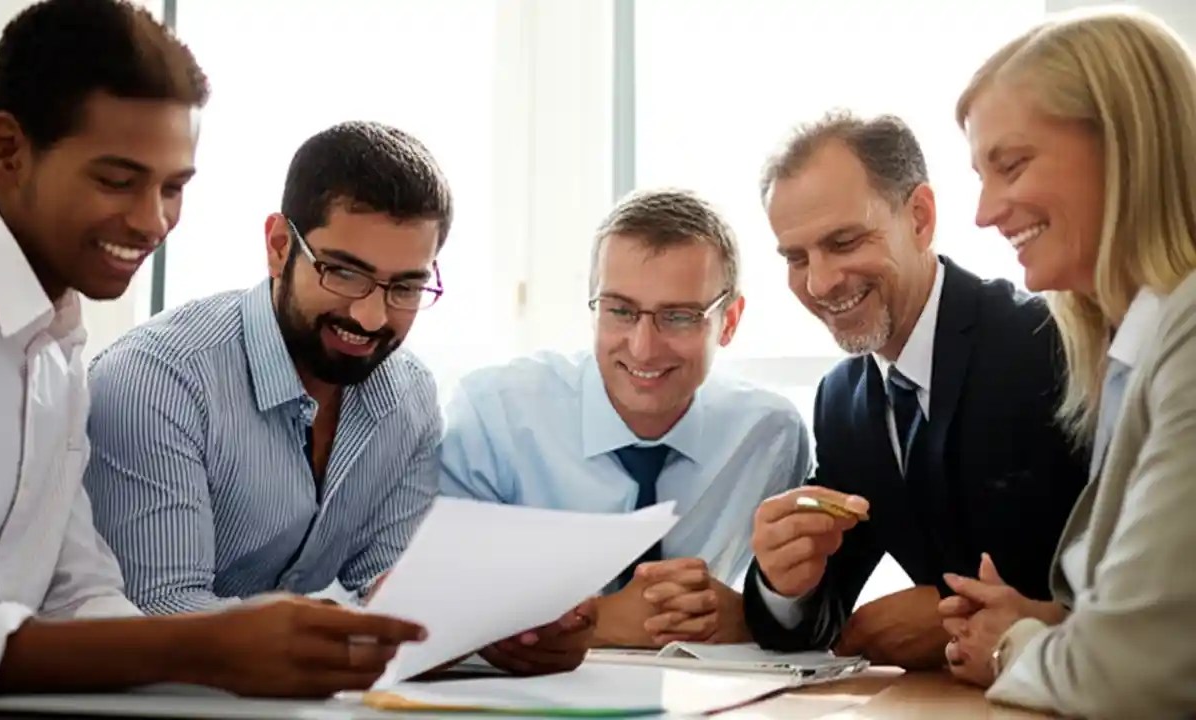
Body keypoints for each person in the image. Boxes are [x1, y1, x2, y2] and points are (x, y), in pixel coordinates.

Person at [0, 0, 426, 704]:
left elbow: (79, 591)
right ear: (7, 152)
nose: (153, 221)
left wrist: (221, 656)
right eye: (118, 181)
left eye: (174, 188)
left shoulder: (56, 332)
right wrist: (200, 645)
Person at [83, 119, 591, 676]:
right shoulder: (157, 381)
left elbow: (392, 582)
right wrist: (362, 627)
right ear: (279, 247)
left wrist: (496, 630)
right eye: (344, 273)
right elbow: (161, 611)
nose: (371, 316)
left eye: (406, 287)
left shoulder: (408, 395)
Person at [743, 111, 1088, 669]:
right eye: (797, 257)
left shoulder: (1050, 344)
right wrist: (787, 584)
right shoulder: (842, 400)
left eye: (844, 241)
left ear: (921, 218)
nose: (820, 282)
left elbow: (1144, 584)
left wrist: (959, 613)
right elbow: (820, 619)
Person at [939, 8, 1196, 717]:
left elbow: (1131, 674)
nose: (987, 213)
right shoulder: (1130, 354)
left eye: (1011, 164)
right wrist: (1058, 629)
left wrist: (1014, 646)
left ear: (1126, 144)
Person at [441, 188, 811, 648]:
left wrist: (750, 614)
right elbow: (435, 607)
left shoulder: (769, 437)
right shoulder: (493, 415)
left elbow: (786, 604)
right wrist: (600, 620)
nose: (643, 347)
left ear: (730, 321)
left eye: (677, 317)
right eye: (620, 310)